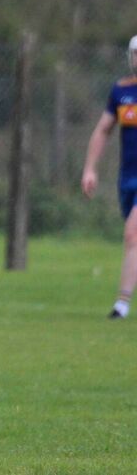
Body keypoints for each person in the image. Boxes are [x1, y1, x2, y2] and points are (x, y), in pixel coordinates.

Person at [81, 35, 137, 319]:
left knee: (132, 233)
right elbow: (103, 130)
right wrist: (90, 168)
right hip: (127, 178)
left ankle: (121, 304)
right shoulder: (121, 91)